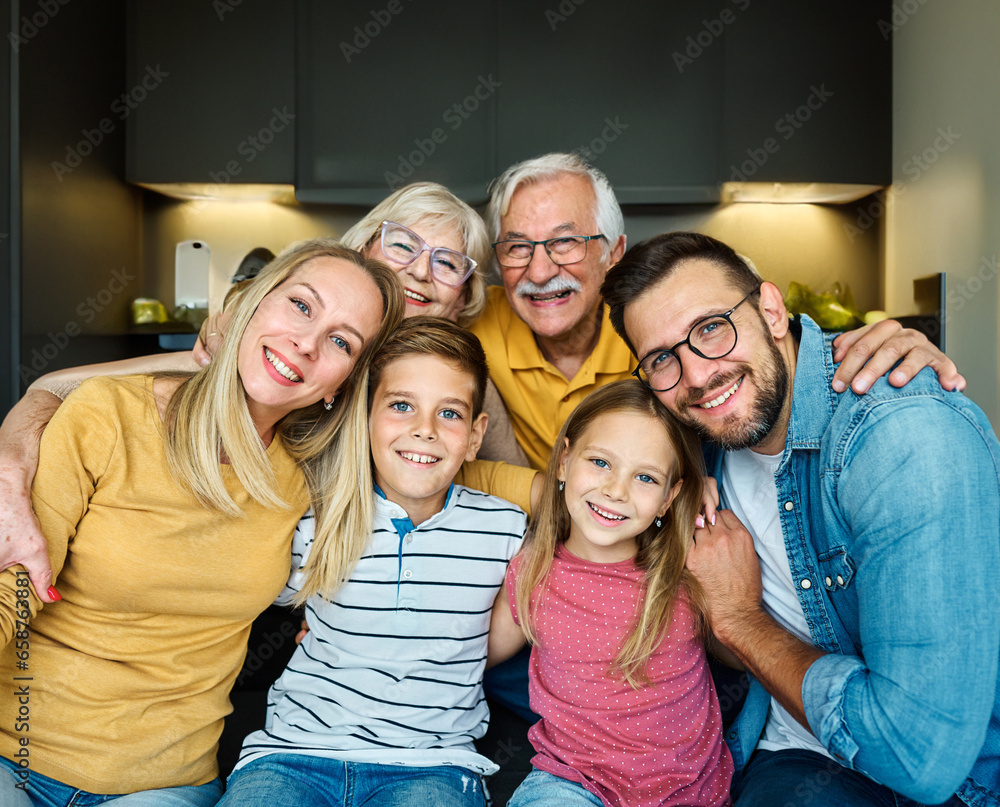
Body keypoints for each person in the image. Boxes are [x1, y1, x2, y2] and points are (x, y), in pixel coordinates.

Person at [601, 231, 1000, 807]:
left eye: (711, 327)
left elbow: (920, 759)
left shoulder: (903, 438)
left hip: (949, 786)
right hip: (789, 753)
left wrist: (737, 618)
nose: (696, 375)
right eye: (663, 358)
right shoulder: (689, 440)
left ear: (770, 309)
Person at [0, 240, 405, 805]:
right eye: (301, 306)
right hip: (15, 757)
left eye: (341, 341)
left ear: (342, 384)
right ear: (250, 304)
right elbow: (11, 587)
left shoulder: (310, 478)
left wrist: (559, 478)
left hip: (164, 783)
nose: (307, 344)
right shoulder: (109, 415)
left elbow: (455, 462)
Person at [472, 151, 967, 472]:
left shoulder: (653, 331)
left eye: (565, 242)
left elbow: (769, 358)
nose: (539, 271)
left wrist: (888, 341)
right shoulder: (472, 323)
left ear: (613, 252)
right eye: (516, 248)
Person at [217, 317, 526, 807]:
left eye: (449, 414)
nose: (423, 431)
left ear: (475, 435)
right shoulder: (315, 519)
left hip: (433, 764)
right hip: (293, 753)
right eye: (401, 406)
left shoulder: (506, 530)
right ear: (363, 418)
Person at [488, 380, 733, 807]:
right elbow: (469, 654)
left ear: (666, 499)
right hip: (572, 783)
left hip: (689, 791)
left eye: (644, 477)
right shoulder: (530, 571)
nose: (616, 491)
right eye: (600, 462)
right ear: (563, 462)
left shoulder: (686, 570)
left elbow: (738, 651)